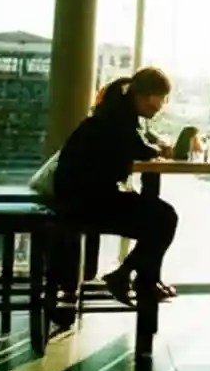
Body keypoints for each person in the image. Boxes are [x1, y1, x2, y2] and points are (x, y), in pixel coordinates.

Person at [53, 67, 179, 306]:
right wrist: (159, 148)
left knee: (159, 216)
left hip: (79, 197)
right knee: (164, 218)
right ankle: (131, 278)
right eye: (160, 99)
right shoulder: (118, 119)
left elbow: (137, 143)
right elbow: (140, 148)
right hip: (87, 203)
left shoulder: (114, 112)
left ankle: (139, 279)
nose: (161, 106)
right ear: (146, 96)